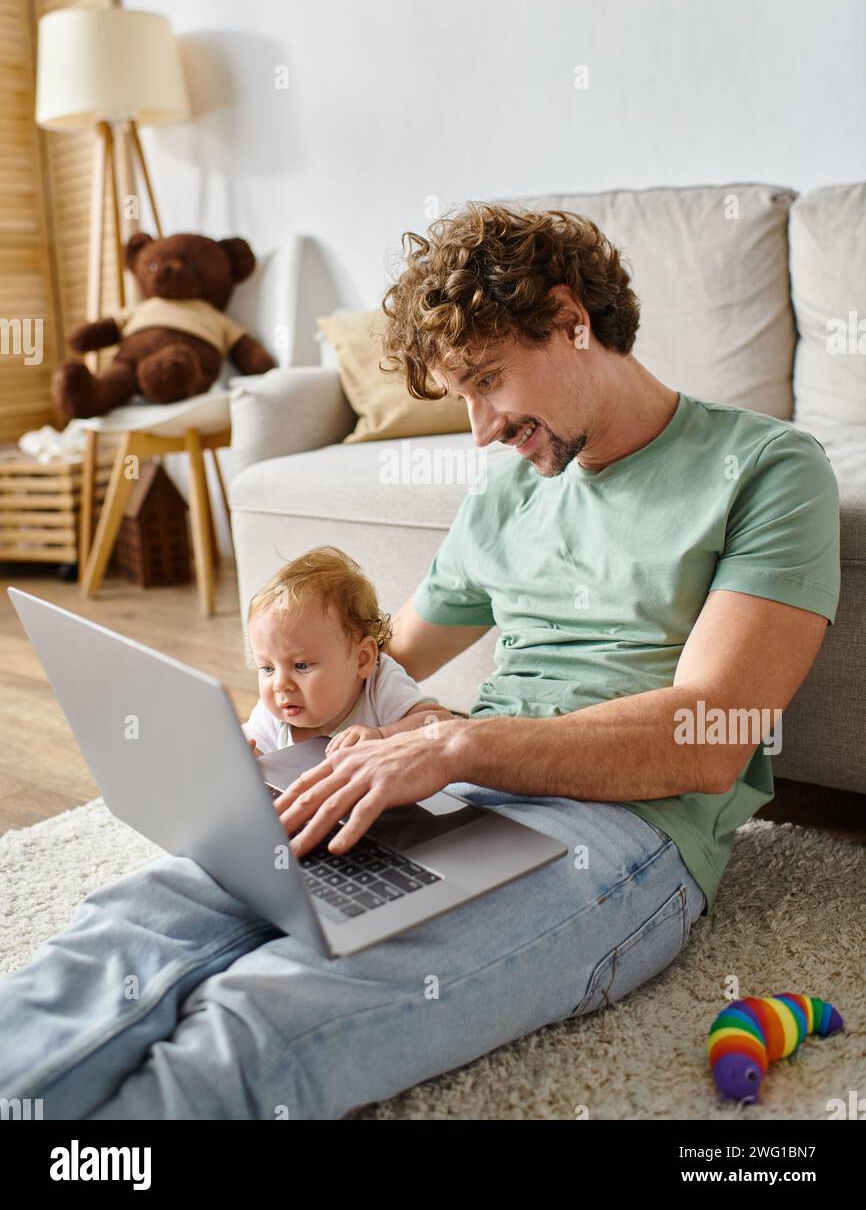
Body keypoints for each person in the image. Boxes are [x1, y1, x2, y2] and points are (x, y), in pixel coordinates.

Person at [0, 203, 840, 1120]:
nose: (481, 429)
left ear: (571, 318)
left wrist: (461, 748)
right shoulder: (513, 490)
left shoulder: (768, 469)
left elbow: (705, 736)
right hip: (456, 790)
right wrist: (275, 727)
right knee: (134, 927)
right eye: (462, 396)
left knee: (257, 1022)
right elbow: (376, 657)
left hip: (625, 836)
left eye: (488, 381)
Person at [240, 545, 455, 762]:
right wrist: (250, 759)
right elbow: (261, 761)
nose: (280, 684)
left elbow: (439, 724)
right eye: (268, 668)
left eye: (301, 665)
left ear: (362, 659)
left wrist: (383, 736)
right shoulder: (273, 711)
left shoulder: (379, 685)